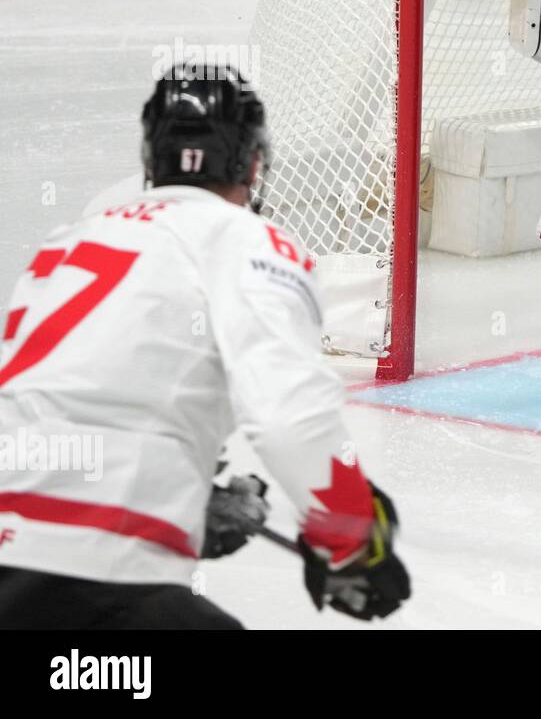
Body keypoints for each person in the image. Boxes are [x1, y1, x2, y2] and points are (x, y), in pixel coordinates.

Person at [0, 63, 410, 628]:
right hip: (97, 572)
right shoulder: (248, 241)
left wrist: (186, 494)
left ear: (151, 160)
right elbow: (289, 419)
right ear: (253, 164)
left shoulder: (67, 242)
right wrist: (353, 543)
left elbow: (58, 401)